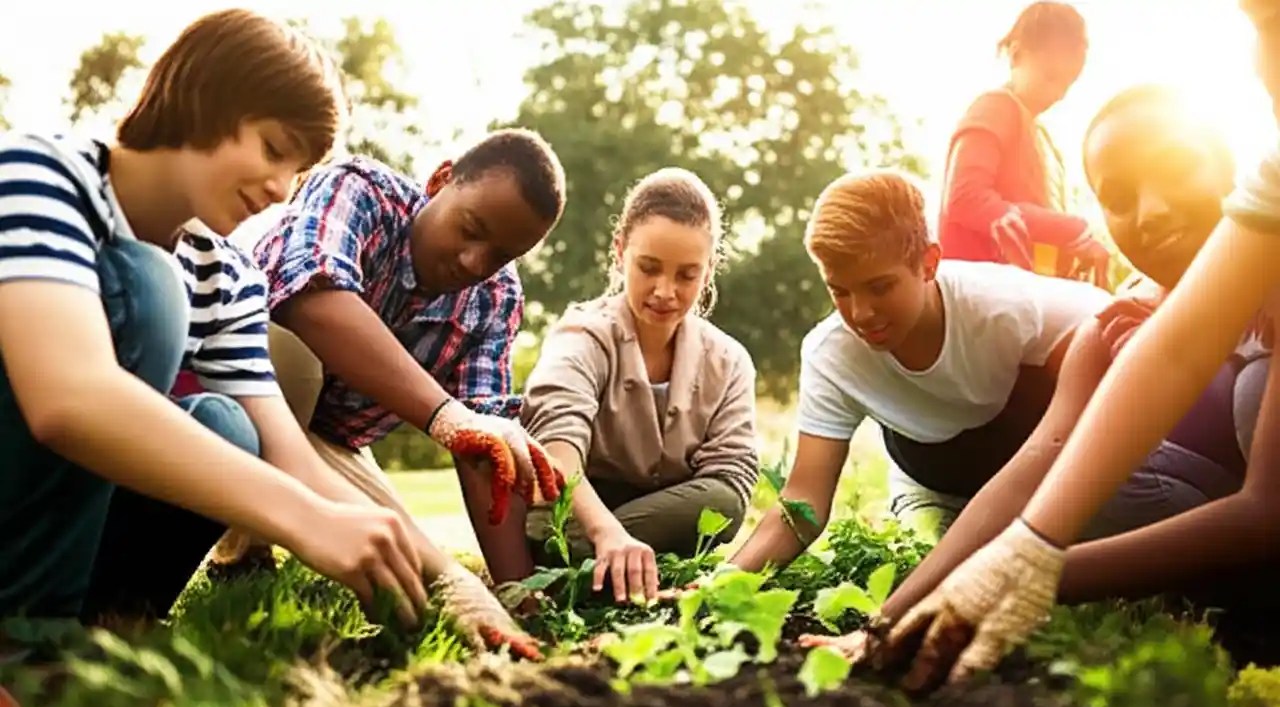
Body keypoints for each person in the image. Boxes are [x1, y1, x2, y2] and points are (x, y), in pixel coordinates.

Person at [869, 2, 1280, 687]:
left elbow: (1266, 513)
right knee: (1084, 468)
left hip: (1260, 526)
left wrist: (1032, 574)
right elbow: (1041, 460)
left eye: (1174, 166)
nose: (1149, 211)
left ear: (1234, 165)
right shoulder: (1122, 324)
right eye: (1117, 196)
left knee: (1252, 390)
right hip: (1231, 544)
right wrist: (891, 617)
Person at [0, 9, 430, 631]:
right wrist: (303, 520)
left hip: (52, 549)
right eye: (274, 148)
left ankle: (99, 627)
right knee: (148, 285)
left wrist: (453, 589)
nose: (283, 188)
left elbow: (292, 459)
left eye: (298, 171)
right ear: (201, 101)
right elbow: (70, 398)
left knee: (229, 425)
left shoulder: (227, 274)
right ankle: (24, 639)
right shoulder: (38, 175)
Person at [215, 129, 568, 588]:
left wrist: (518, 591)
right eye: (471, 230)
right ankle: (243, 548)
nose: (474, 263)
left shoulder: (495, 298)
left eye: (501, 256)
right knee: (295, 352)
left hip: (332, 444)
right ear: (441, 180)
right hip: (236, 389)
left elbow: (485, 449)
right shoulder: (360, 190)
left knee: (418, 572)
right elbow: (308, 298)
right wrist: (446, 416)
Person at [725, 170, 1112, 576]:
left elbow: (1127, 340)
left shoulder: (1007, 310)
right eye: (840, 291)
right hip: (937, 491)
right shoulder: (831, 355)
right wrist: (718, 586)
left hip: (1050, 478)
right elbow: (803, 504)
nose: (861, 313)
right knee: (927, 568)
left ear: (929, 264)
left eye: (880, 287)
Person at [520, 168, 758, 604]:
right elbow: (556, 449)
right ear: (619, 253)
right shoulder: (583, 338)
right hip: (577, 512)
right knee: (552, 538)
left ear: (708, 271)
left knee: (721, 505)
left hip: (672, 512)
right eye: (649, 268)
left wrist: (628, 532)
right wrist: (606, 531)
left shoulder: (728, 360)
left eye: (687, 275)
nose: (665, 291)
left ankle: (598, 575)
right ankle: (597, 570)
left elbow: (731, 480)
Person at [938, 1, 1110, 286]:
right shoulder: (996, 107)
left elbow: (1037, 231)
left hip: (1020, 290)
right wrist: (1074, 230)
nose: (1060, 94)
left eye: (1069, 83)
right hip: (981, 289)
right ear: (1017, 55)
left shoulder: (1045, 143)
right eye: (1051, 77)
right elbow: (965, 197)